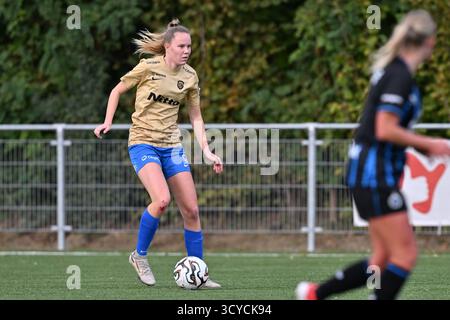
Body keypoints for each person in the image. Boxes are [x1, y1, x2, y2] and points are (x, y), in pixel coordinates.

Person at [296, 10, 450, 300]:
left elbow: (386, 127)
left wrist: (418, 146)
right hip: (373, 174)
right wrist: (429, 144)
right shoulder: (399, 76)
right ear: (430, 42)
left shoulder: (394, 71)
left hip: (368, 173)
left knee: (382, 258)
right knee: (405, 256)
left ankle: (315, 294)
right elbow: (385, 128)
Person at [94, 18, 223, 288]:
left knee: (191, 210)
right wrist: (108, 121)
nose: (186, 51)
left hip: (172, 146)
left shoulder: (190, 76)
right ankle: (139, 256)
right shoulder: (148, 67)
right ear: (167, 47)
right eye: (181, 46)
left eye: (189, 46)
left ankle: (199, 271)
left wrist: (207, 152)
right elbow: (117, 89)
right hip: (143, 142)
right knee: (162, 200)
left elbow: (196, 117)